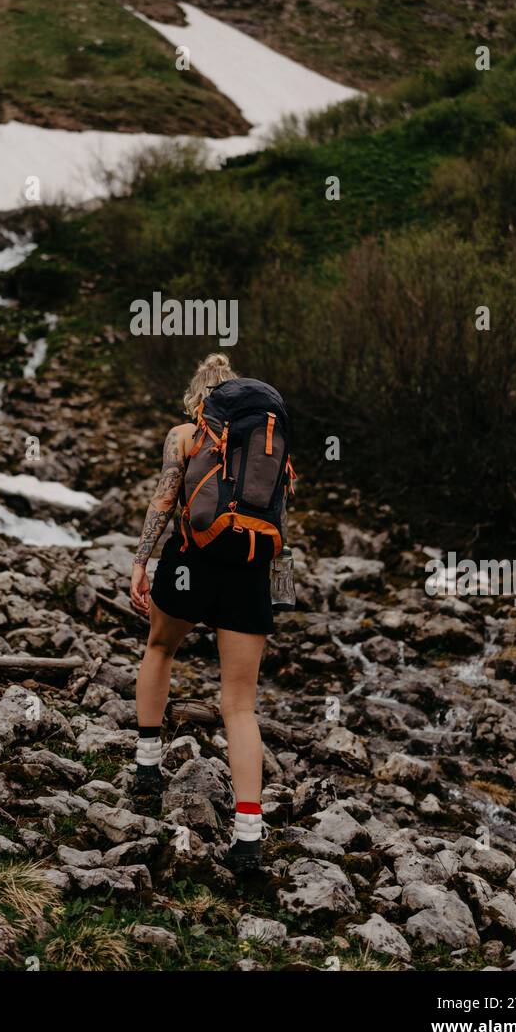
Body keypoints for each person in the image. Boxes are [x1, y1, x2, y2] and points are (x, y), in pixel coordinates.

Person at [129, 353, 285, 874]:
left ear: (200, 398)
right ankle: (247, 835)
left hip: (190, 563)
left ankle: (148, 766)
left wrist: (141, 561)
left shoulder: (184, 435)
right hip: (248, 571)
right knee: (239, 705)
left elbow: (165, 499)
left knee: (160, 646)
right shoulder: (266, 445)